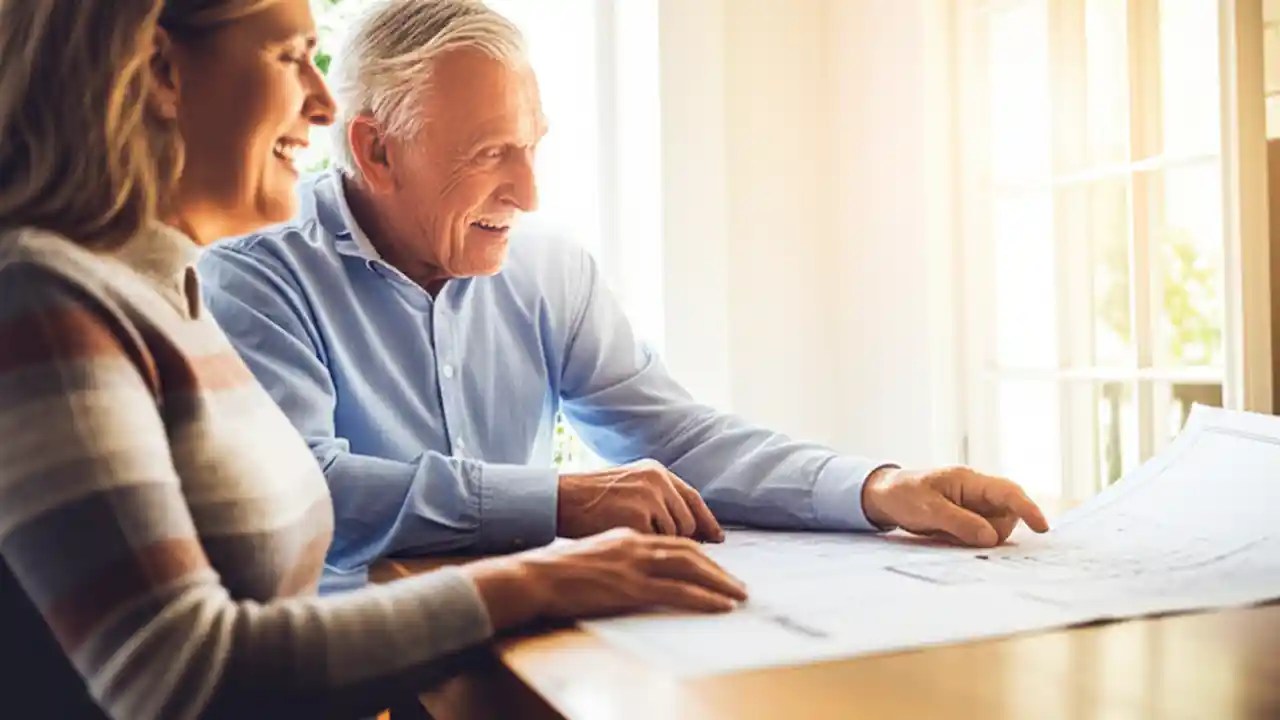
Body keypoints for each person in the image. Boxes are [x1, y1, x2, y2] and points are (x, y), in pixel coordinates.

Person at [0, 1, 748, 717]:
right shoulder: (44, 300)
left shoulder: (166, 289)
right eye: (293, 57)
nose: (323, 104)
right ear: (161, 71)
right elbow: (178, 674)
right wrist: (533, 582)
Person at [199, 0, 1051, 594]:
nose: (528, 192)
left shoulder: (546, 271)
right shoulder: (254, 268)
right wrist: (559, 500)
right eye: (492, 152)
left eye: (533, 147)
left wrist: (877, 486)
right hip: (349, 681)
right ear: (375, 151)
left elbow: (676, 439)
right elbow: (310, 491)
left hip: (526, 642)